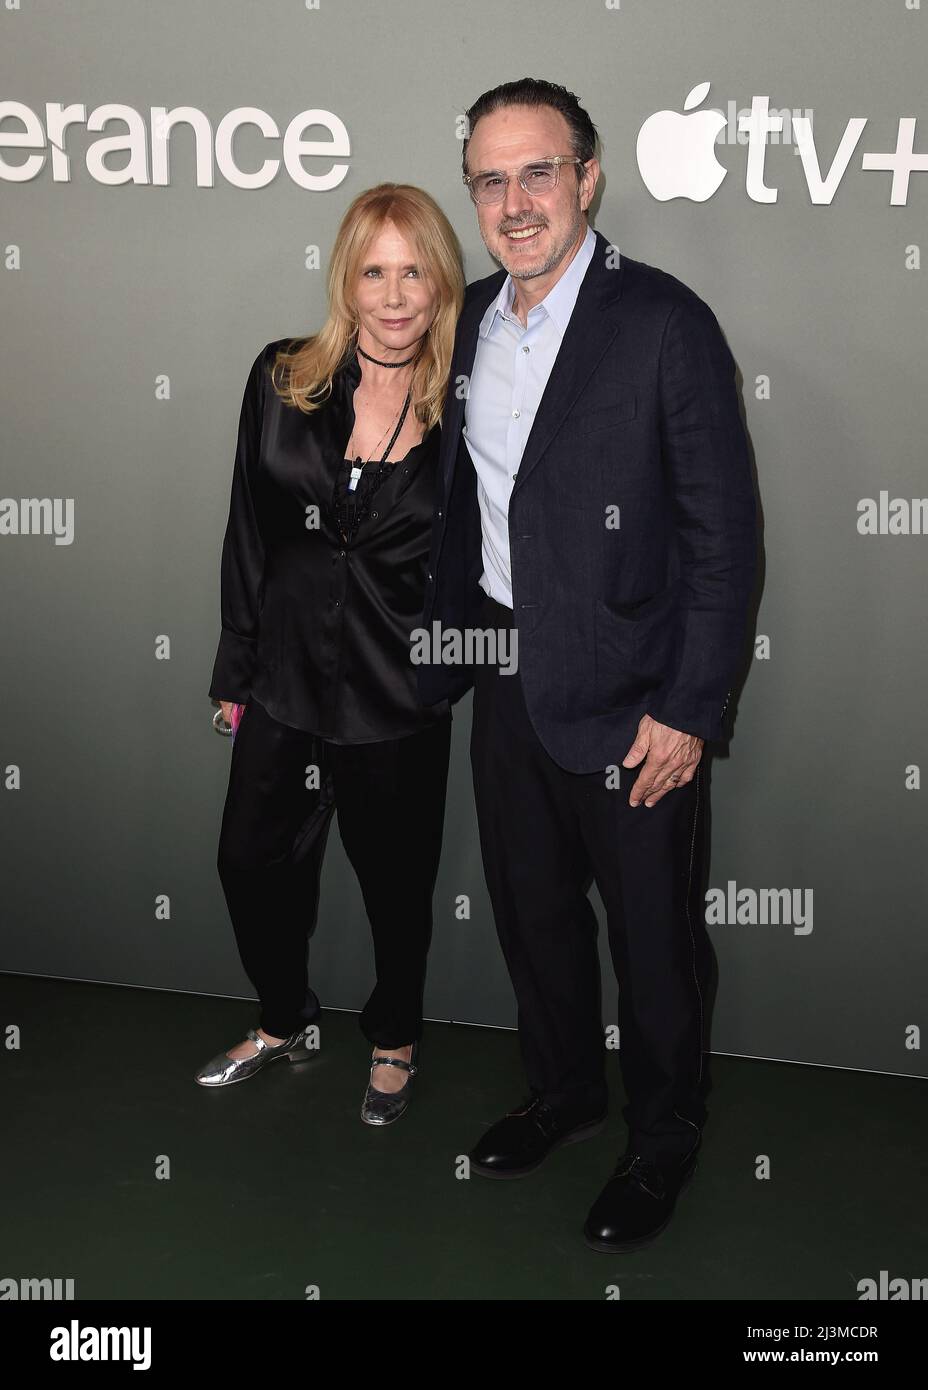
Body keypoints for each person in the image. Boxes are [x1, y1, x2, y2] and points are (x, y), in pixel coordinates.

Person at [418, 79, 757, 1246]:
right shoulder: (465, 320)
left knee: (654, 941)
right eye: (490, 179)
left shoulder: (665, 322)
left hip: (633, 705)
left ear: (587, 178)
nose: (514, 202)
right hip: (510, 680)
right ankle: (563, 1094)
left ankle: (662, 1138)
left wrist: (688, 708)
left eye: (537, 172)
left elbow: (725, 537)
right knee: (533, 917)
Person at [199, 184, 465, 1126]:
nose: (394, 298)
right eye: (374, 272)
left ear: (441, 286)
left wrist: (448, 668)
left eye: (415, 273)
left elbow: (505, 560)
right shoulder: (281, 378)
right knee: (245, 862)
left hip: (396, 701)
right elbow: (248, 533)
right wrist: (237, 670)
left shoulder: (468, 410)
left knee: (397, 890)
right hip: (282, 684)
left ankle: (394, 1040)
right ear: (345, 282)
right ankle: (282, 1016)